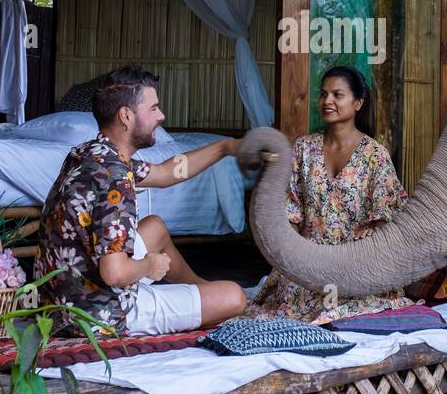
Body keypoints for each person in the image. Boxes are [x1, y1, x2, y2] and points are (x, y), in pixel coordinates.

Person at [34, 67, 246, 336]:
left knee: (154, 226)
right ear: (126, 115)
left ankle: (198, 288)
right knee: (234, 297)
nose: (162, 116)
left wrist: (225, 148)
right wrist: (149, 266)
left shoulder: (91, 153)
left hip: (60, 301)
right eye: (154, 109)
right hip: (97, 316)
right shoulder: (115, 179)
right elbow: (114, 273)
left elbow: (168, 172)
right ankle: (205, 301)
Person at [246, 65, 410, 323]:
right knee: (279, 310)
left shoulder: (375, 155)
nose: (327, 101)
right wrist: (291, 257)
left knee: (357, 303)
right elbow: (290, 214)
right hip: (309, 262)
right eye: (323, 94)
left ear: (357, 103)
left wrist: (363, 244)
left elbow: (386, 220)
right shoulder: (302, 148)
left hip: (355, 264)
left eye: (337, 95)